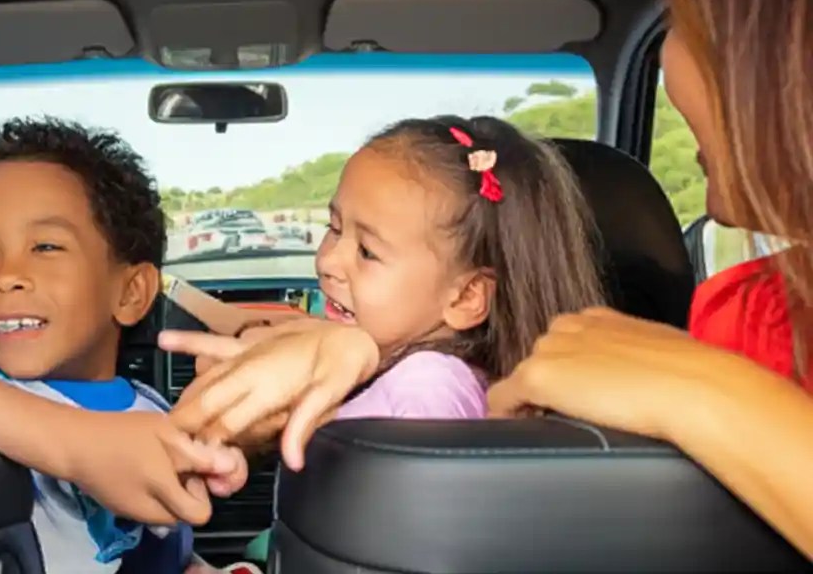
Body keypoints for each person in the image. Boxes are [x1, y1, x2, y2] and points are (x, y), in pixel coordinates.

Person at [171, 0, 813, 559]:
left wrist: (701, 393)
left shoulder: (726, 343)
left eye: (686, 20)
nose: (669, 62)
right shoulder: (747, 312)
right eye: (333, 230)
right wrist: (356, 350)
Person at [0, 118, 246, 574]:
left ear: (130, 293)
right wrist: (77, 445)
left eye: (45, 247)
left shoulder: (153, 408)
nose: (5, 275)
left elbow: (157, 546)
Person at [162, 115, 606, 465]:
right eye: (334, 228)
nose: (327, 261)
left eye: (368, 252)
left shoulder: (426, 388)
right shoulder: (424, 373)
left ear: (466, 297)